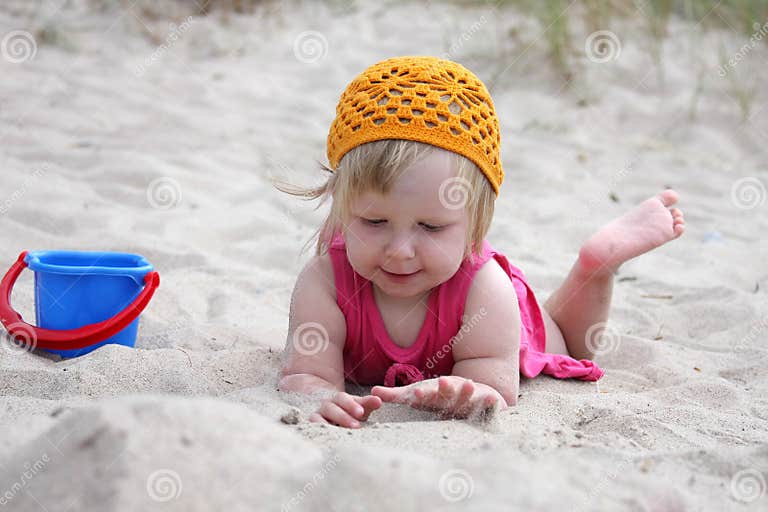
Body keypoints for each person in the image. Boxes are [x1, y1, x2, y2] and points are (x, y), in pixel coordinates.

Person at [274, 56, 685, 429]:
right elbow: (304, 374)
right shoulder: (326, 281)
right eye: (374, 221)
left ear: (475, 227)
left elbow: (497, 387)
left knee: (568, 340)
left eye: (431, 227)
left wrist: (462, 394)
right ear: (343, 208)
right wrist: (322, 397)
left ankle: (594, 268)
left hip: (509, 328)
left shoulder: (484, 289)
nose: (400, 250)